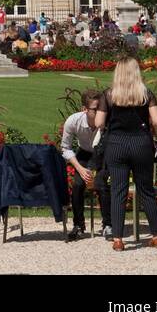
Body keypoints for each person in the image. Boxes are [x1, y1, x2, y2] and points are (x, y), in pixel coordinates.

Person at [94, 58, 157, 250]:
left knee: (118, 191)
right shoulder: (146, 94)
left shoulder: (108, 95)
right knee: (146, 191)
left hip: (116, 144)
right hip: (141, 144)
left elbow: (99, 122)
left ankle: (118, 239)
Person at [61, 90, 112, 240]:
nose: (100, 112)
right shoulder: (73, 121)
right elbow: (65, 147)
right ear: (84, 109)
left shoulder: (106, 121)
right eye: (95, 109)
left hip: (103, 154)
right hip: (83, 154)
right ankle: (79, 224)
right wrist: (80, 168)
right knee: (77, 184)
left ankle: (108, 224)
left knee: (101, 184)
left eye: (102, 108)